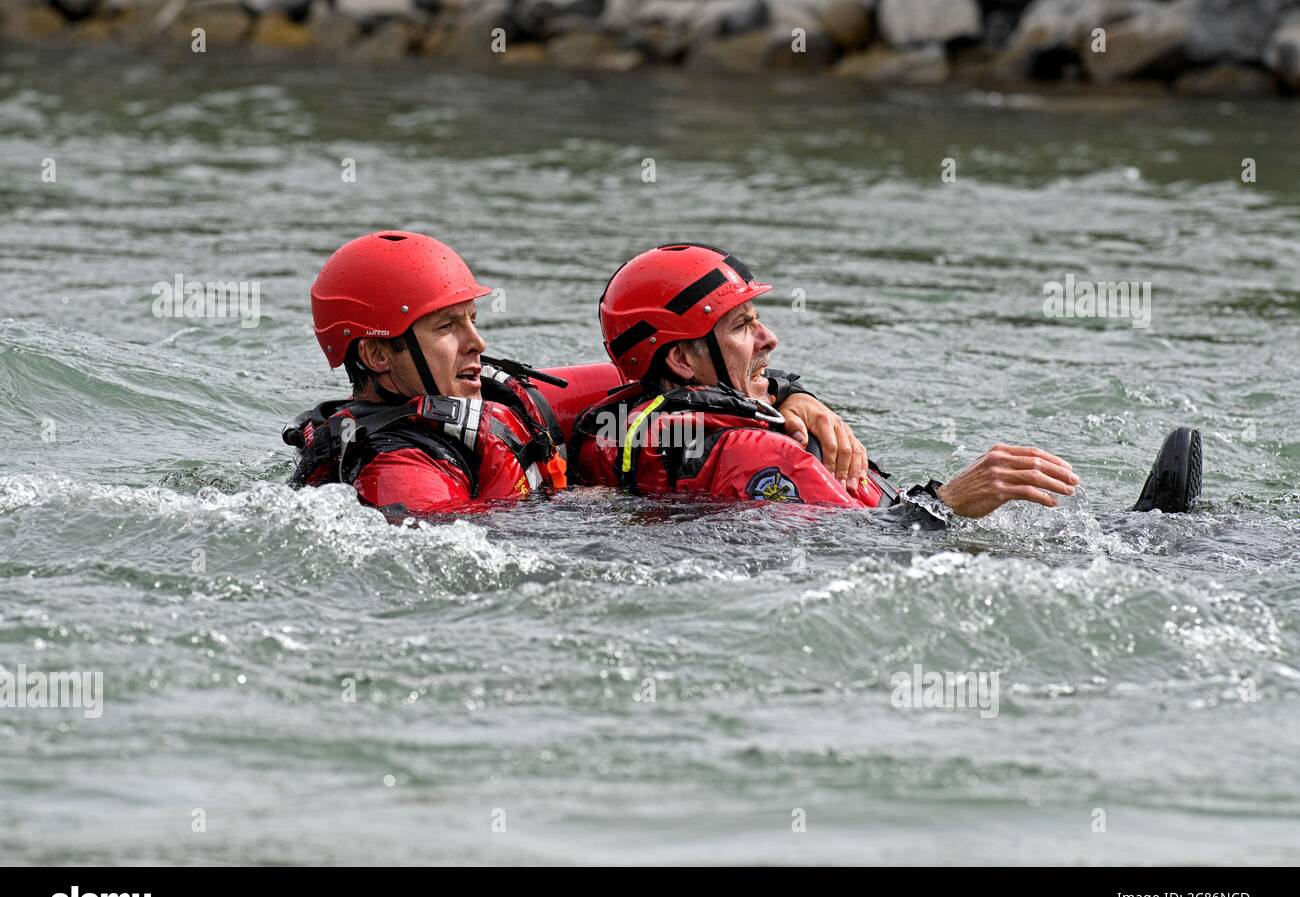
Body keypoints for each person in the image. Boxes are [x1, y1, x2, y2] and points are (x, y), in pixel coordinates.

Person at [572, 242, 1200, 520]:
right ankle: (1159, 538)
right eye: (741, 327)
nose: (769, 340)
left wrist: (789, 391)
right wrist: (953, 500)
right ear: (682, 360)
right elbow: (870, 554)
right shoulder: (753, 450)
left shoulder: (614, 428)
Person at [283, 231, 868, 518]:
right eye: (445, 329)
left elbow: (657, 383)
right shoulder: (399, 467)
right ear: (379, 355)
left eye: (472, 318)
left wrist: (794, 394)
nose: (477, 343)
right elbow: (458, 567)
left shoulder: (491, 400)